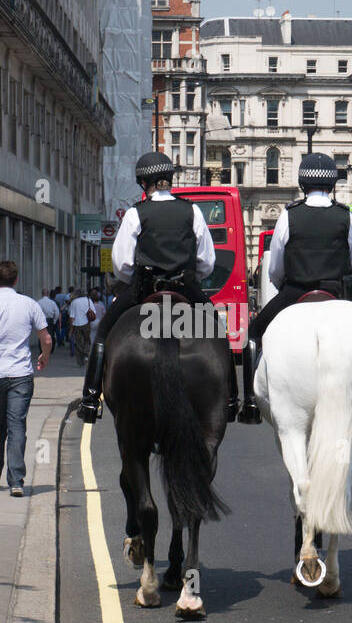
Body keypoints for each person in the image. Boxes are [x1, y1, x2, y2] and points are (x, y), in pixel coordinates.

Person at [239, 152, 352, 424]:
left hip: (296, 291)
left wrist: (284, 284)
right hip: (338, 291)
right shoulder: (346, 217)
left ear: (303, 184)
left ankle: (248, 404)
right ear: (333, 185)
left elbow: (275, 266)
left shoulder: (288, 216)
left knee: (254, 334)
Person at [78, 151, 238, 423]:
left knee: (104, 333)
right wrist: (190, 276)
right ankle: (233, 399)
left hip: (143, 288)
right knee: (219, 332)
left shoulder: (135, 213)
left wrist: (135, 278)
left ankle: (91, 399)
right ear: (170, 178)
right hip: (186, 287)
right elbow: (206, 261)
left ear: (143, 183)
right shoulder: (192, 211)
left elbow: (122, 264)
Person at [0, 260, 52, 497]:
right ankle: (16, 480)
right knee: (17, 426)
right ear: (16, 279)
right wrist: (44, 356)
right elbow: (46, 339)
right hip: (21, 375)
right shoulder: (29, 304)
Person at [67, 288, 94, 367]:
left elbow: (72, 316)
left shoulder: (74, 302)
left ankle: (80, 360)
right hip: (86, 324)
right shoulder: (88, 300)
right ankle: (86, 354)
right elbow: (93, 312)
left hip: (76, 324)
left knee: (78, 342)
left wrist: (71, 329)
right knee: (87, 340)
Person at [37, 288, 59, 352]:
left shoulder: (39, 302)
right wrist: (54, 321)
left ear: (42, 294)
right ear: (48, 294)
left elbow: (36, 312)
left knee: (41, 335)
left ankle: (42, 349)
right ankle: (50, 349)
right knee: (50, 335)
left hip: (42, 320)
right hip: (50, 320)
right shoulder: (52, 302)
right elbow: (57, 312)